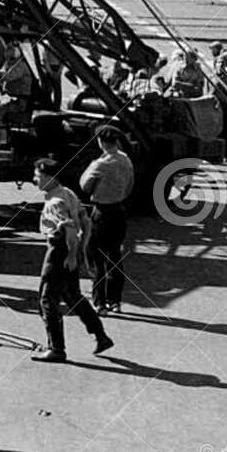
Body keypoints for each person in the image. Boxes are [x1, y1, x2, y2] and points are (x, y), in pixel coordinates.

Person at [30, 158, 114, 362]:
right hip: (70, 251)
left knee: (47, 299)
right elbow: (85, 222)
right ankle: (100, 335)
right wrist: (80, 251)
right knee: (72, 295)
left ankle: (56, 348)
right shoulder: (68, 193)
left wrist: (69, 253)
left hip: (58, 251)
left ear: (50, 178)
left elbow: (69, 229)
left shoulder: (55, 202)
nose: (35, 180)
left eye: (38, 176)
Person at [80, 128, 135, 313]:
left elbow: (85, 186)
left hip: (101, 212)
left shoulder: (100, 164)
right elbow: (130, 185)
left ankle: (100, 302)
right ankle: (115, 301)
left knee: (95, 257)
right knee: (115, 256)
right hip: (119, 211)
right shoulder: (125, 159)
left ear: (100, 142)